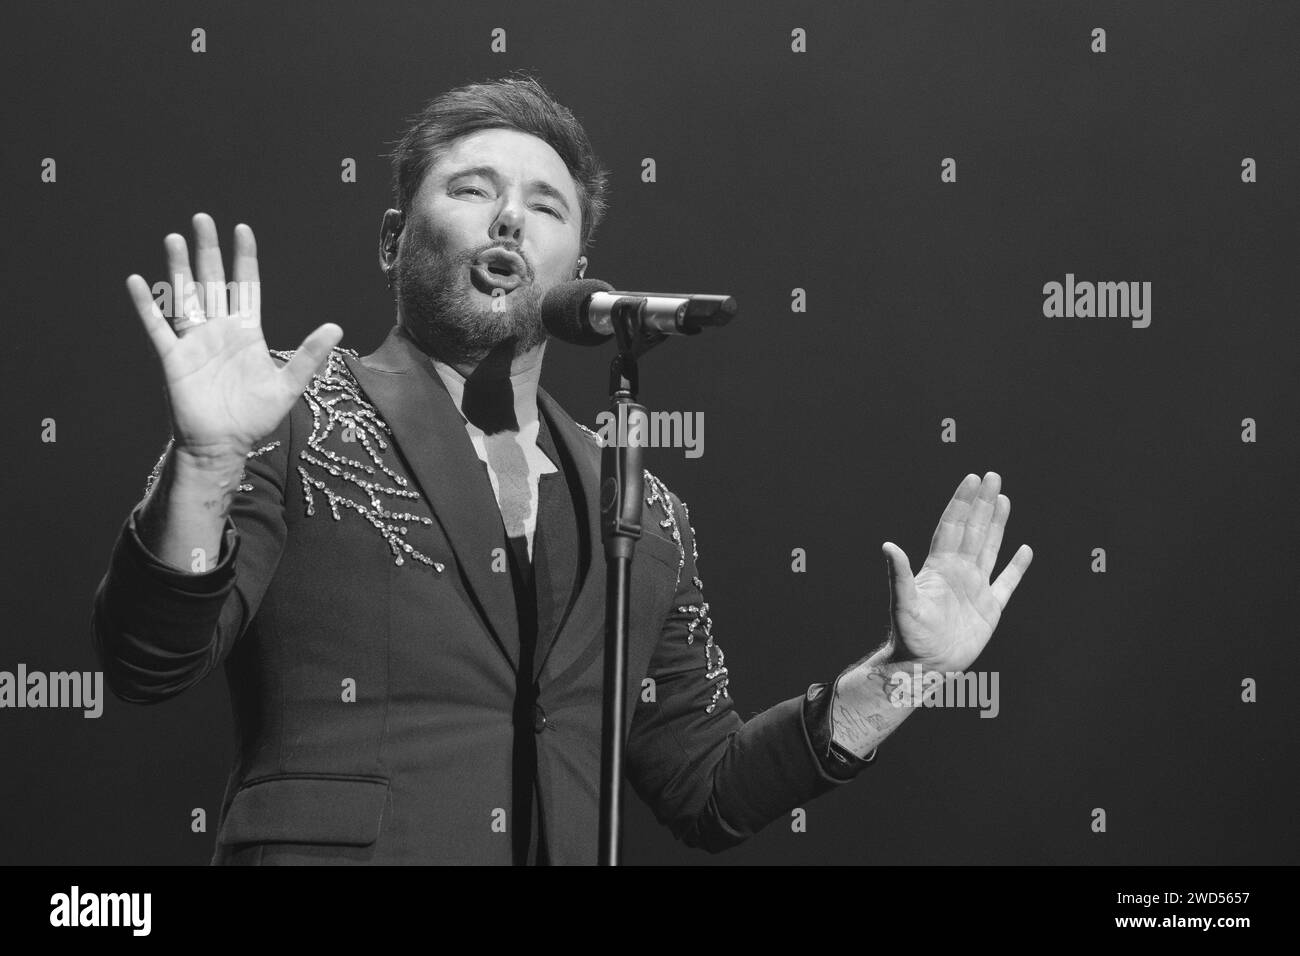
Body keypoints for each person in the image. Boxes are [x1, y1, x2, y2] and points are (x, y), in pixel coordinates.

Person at [92, 74, 1033, 865]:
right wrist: (209, 459)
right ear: (392, 240)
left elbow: (707, 787)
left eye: (546, 206)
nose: (510, 214)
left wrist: (906, 673)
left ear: (579, 267)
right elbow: (148, 660)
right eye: (470, 189)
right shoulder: (296, 414)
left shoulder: (644, 507)